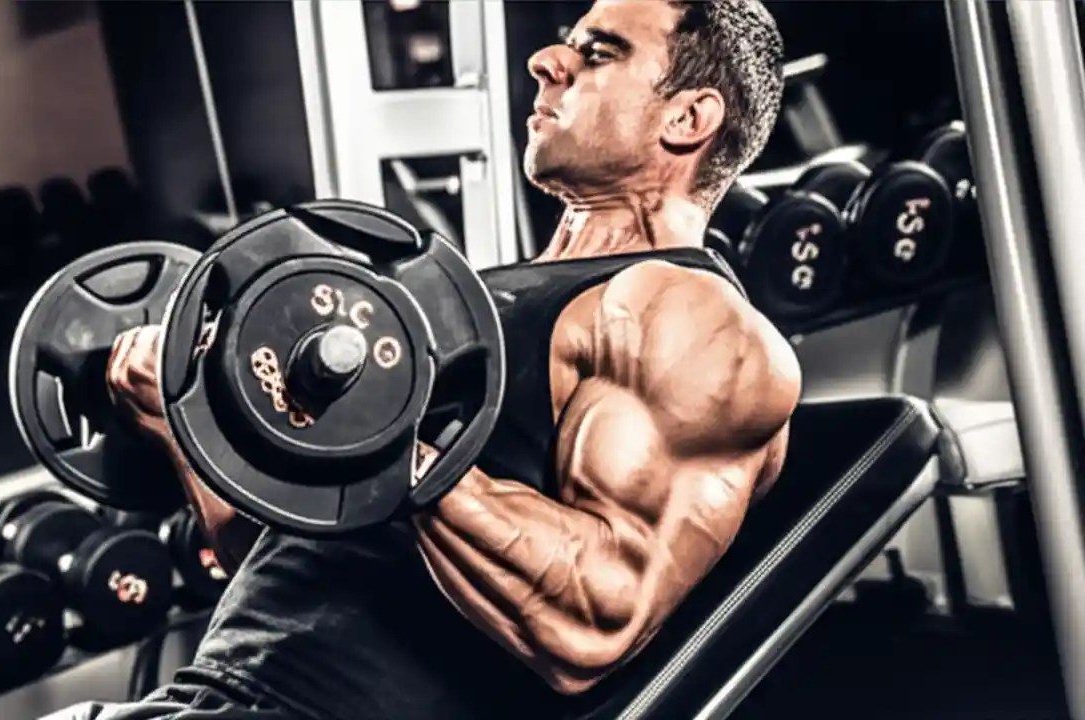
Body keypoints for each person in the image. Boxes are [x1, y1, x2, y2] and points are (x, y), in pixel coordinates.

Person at [54, 1, 799, 718]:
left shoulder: (691, 320)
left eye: (599, 53)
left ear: (688, 119)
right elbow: (300, 556)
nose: (546, 61)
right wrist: (182, 424)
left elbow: (594, 618)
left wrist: (373, 436)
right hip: (204, 695)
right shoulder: (490, 299)